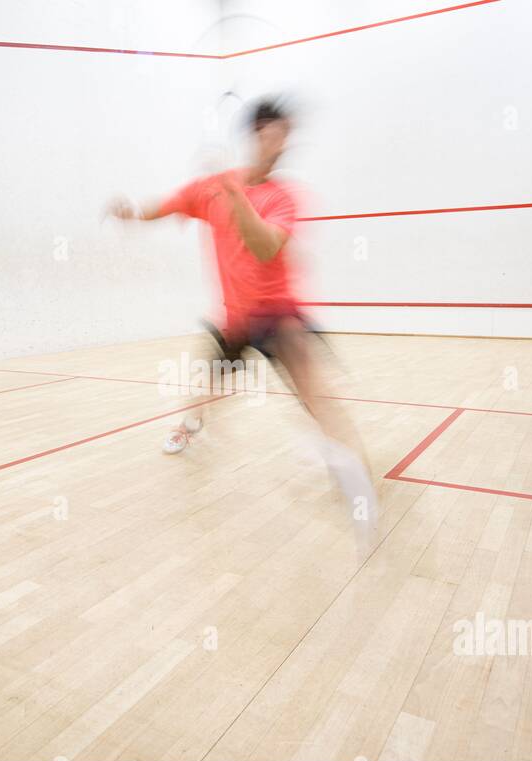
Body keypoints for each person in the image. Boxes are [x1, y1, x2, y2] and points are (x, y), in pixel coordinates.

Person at [108, 97, 379, 547]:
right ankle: (189, 427)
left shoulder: (285, 197)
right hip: (235, 320)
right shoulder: (211, 187)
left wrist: (236, 197)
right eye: (277, 133)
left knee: (316, 399)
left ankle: (357, 480)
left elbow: (266, 246)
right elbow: (170, 204)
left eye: (288, 135)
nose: (284, 144)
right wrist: (134, 212)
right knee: (210, 387)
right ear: (257, 133)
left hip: (278, 316)